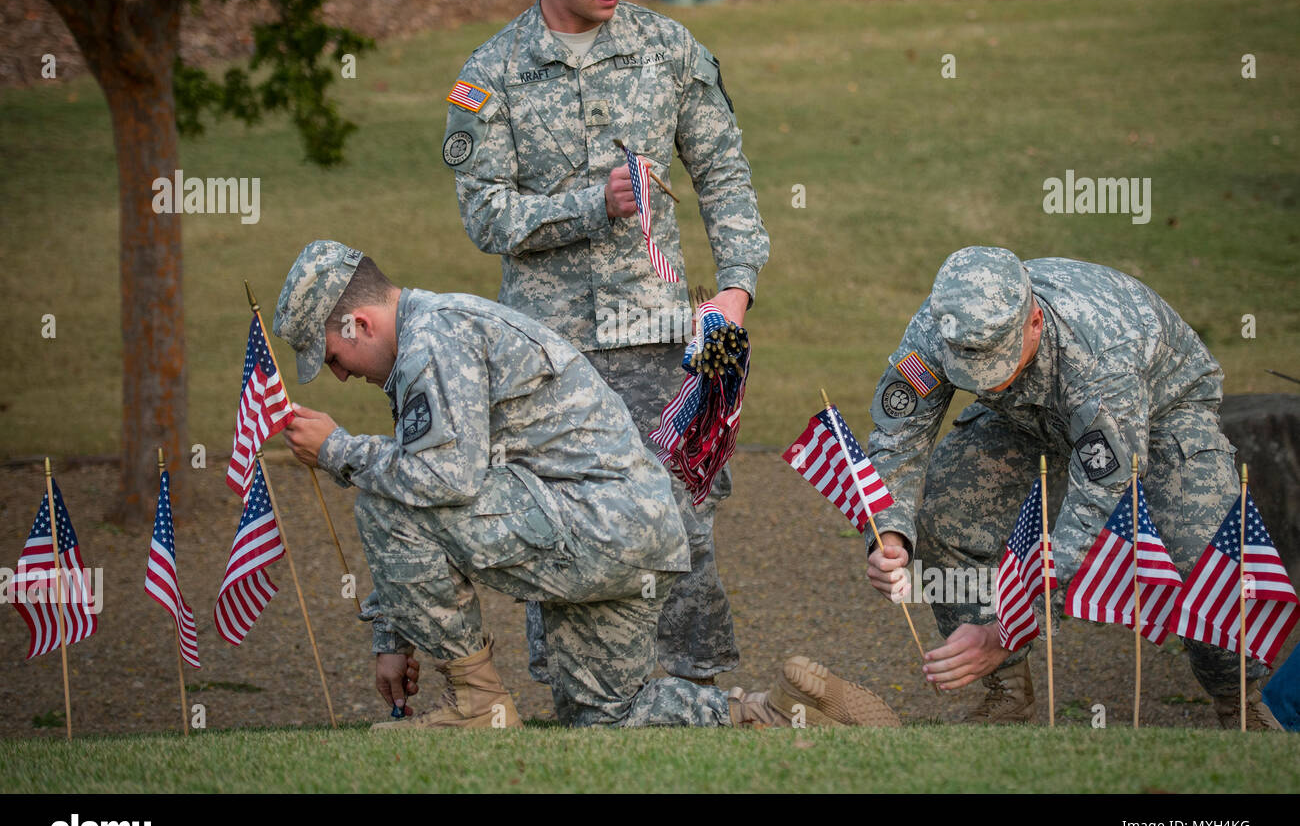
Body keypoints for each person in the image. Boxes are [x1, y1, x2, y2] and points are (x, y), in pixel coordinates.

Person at [273, 240, 897, 730]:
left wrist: (337, 450)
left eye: (331, 357)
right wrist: (395, 632)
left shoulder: (432, 340)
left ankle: (476, 706)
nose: (338, 376)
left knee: (383, 494)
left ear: (358, 323)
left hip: (594, 526)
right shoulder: (440, 329)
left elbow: (442, 481)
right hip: (632, 532)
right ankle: (773, 711)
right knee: (604, 716)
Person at [441, 0, 769, 687]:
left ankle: (691, 688)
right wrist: (594, 205)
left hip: (659, 336)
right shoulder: (493, 75)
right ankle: (582, 693)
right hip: (548, 351)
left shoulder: (670, 51)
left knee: (681, 512)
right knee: (565, 520)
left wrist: (736, 287)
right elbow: (485, 216)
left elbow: (724, 173)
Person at [864, 246, 1283, 730]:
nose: (985, 382)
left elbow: (1099, 507)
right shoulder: (943, 324)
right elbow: (899, 435)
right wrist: (889, 534)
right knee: (944, 520)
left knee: (1200, 551)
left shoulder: (1102, 356)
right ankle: (1006, 698)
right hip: (1023, 413)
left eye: (996, 362)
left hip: (1163, 410)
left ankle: (1240, 704)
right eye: (970, 369)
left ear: (1035, 322)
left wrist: (1006, 632)